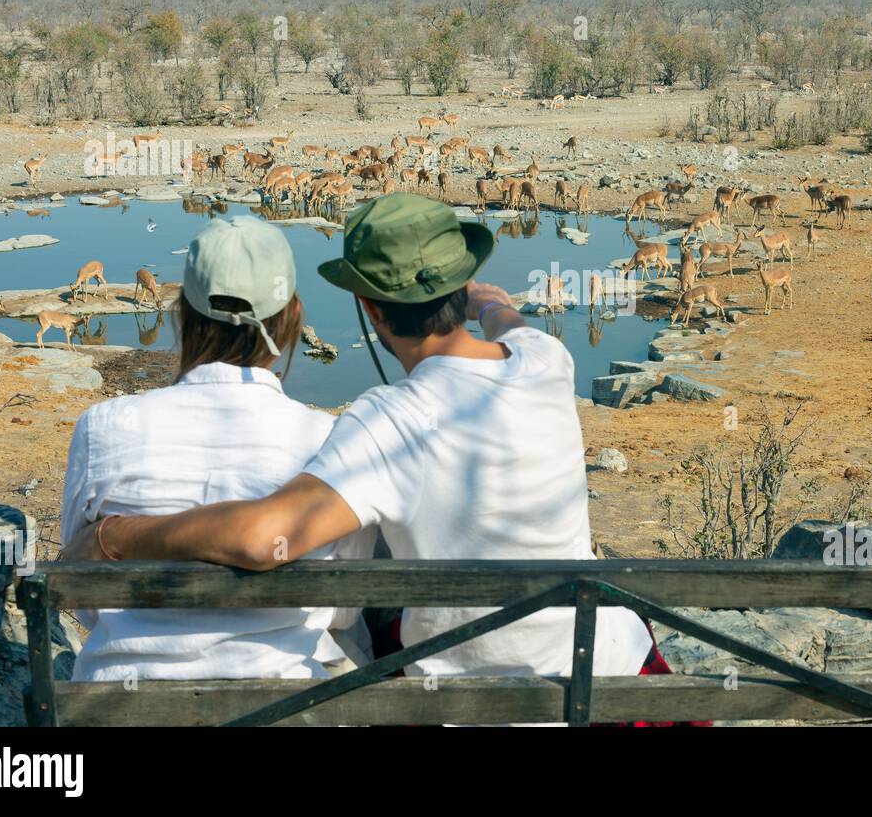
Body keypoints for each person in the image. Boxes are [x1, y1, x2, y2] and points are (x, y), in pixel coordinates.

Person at [67, 193, 654, 682]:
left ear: (371, 312)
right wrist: (489, 302)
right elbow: (509, 323)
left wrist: (117, 536)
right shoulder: (545, 359)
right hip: (605, 674)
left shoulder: (386, 421)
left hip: (470, 703)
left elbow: (260, 540)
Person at [60, 216, 374, 682]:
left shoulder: (104, 427)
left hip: (122, 701)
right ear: (292, 315)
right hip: (288, 700)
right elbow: (342, 610)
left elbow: (82, 594)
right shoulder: (327, 440)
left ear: (182, 312)